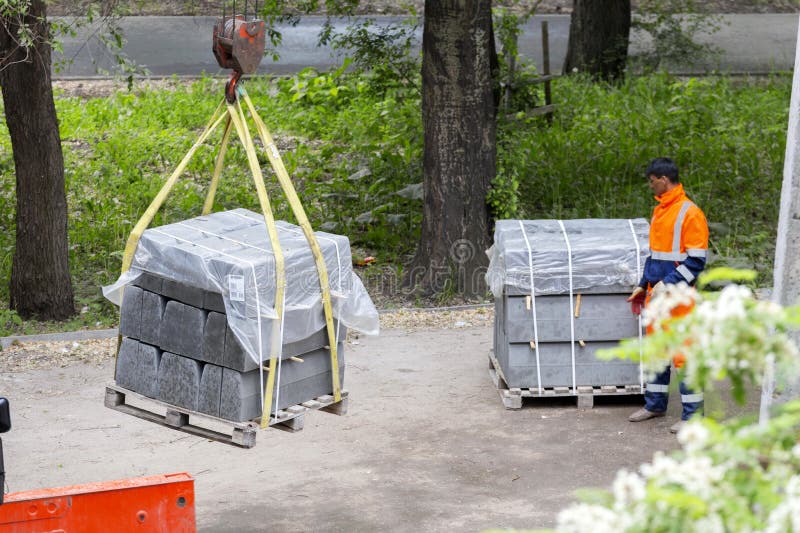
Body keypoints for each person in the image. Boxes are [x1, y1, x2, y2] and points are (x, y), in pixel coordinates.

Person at [627, 157, 709, 434]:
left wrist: (667, 283)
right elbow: (656, 255)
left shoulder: (690, 213)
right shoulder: (660, 211)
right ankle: (655, 405)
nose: (650, 186)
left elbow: (696, 261)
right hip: (657, 296)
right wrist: (644, 283)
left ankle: (692, 417)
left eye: (652, 181)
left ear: (664, 179)